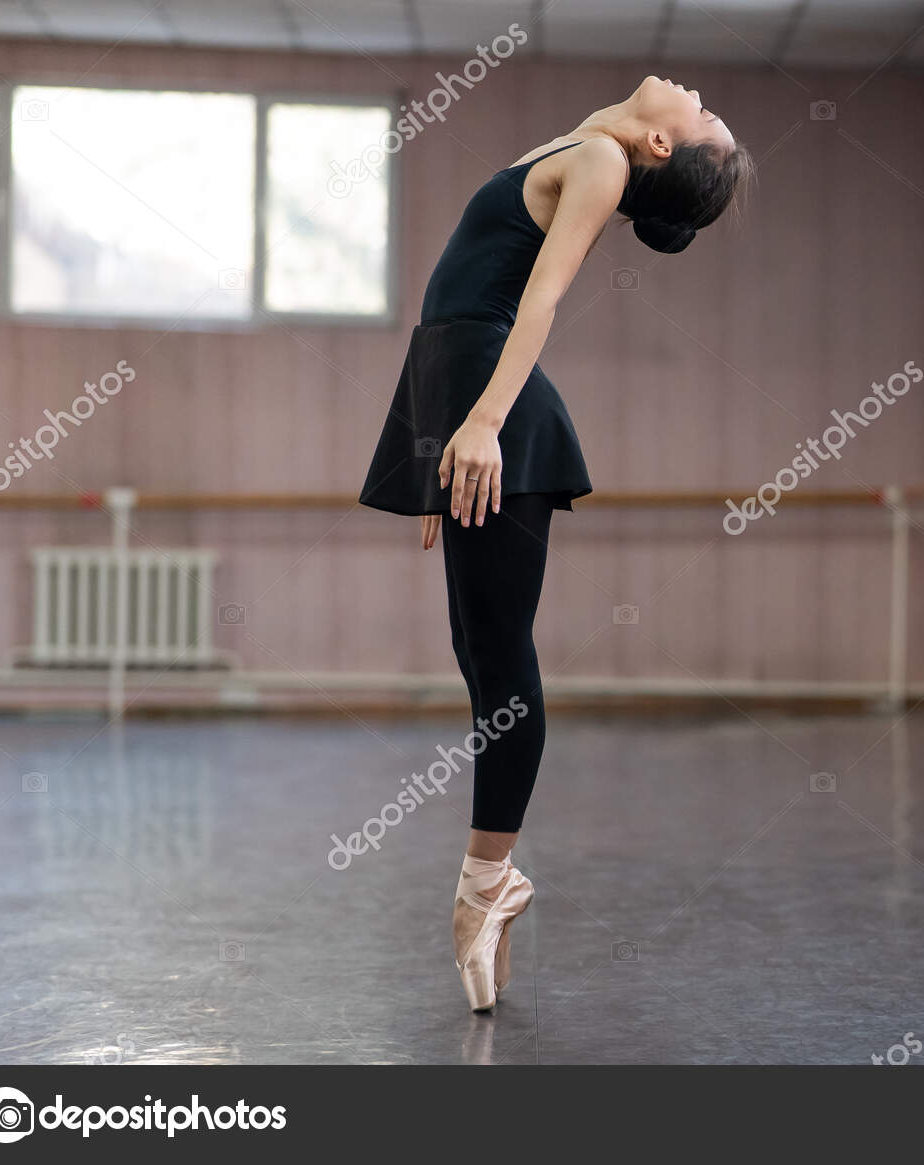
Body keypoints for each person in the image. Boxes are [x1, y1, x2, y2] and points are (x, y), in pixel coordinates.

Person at [359, 76, 752, 1012]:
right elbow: (453, 302)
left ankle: (485, 884)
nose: (697, 92)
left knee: (501, 660)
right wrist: (437, 435)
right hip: (465, 402)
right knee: (476, 650)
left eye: (703, 115)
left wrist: (481, 423)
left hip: (501, 419)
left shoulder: (604, 160)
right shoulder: (588, 141)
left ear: (661, 146)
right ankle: (492, 884)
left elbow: (535, 303)